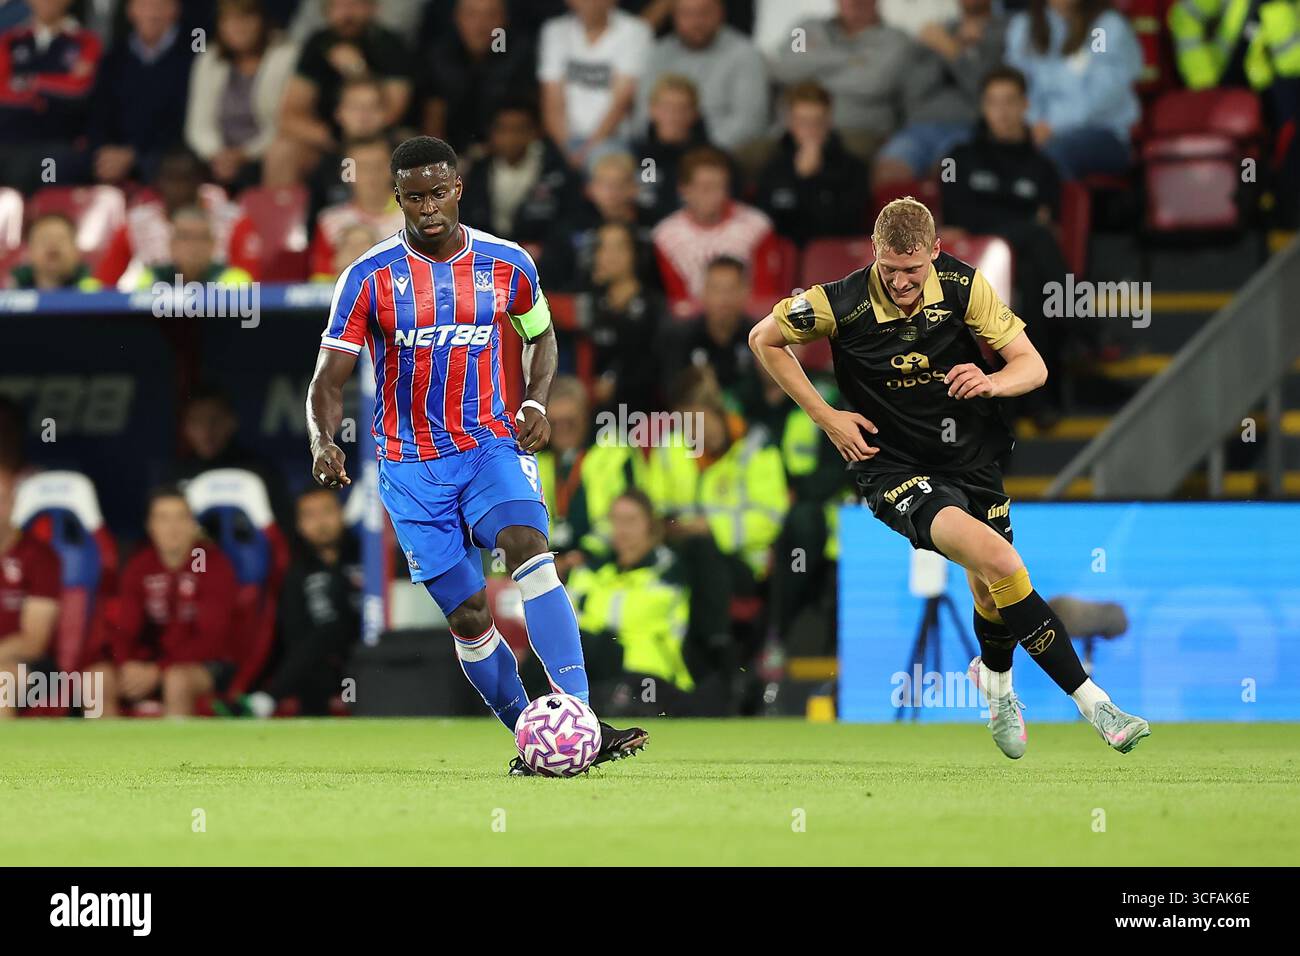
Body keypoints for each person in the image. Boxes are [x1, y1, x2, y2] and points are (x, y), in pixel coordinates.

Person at [747, 196, 1151, 758]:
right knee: (1003, 562)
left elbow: (1031, 367)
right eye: (889, 269)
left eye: (912, 270)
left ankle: (996, 683)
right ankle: (1097, 705)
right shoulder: (836, 302)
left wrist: (991, 382)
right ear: (874, 254)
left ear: (936, 253)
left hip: (971, 455)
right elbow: (762, 338)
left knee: (991, 589)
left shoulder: (964, 287)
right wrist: (827, 415)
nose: (901, 282)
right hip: (893, 468)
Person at [306, 135, 648, 775]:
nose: (428, 207)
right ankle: (532, 736)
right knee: (468, 615)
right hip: (409, 468)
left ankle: (579, 715)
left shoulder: (508, 262)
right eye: (413, 198)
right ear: (398, 199)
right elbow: (328, 378)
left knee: (526, 545)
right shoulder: (367, 278)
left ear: (459, 187)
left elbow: (540, 334)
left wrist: (538, 401)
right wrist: (324, 439)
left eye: (438, 193)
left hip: (488, 443)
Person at [940, 66, 1071, 421]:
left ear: (1025, 105)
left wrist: (989, 219)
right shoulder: (960, 158)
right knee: (1035, 240)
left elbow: (1050, 226)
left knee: (1030, 279)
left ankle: (1018, 403)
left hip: (1023, 266)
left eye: (1010, 102)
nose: (1002, 111)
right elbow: (957, 223)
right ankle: (1073, 333)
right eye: (993, 102)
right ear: (983, 107)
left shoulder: (1043, 166)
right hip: (973, 268)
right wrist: (1022, 223)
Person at [91, 486, 238, 717]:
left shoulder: (212, 563)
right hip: (151, 662)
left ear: (193, 524)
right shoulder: (140, 566)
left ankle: (179, 754)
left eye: (181, 518)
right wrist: (126, 665)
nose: (173, 529)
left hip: (207, 665)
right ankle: (105, 753)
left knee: (176, 680)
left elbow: (212, 639)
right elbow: (124, 629)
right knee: (96, 679)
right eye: (163, 518)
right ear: (150, 526)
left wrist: (158, 670)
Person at [264, 0, 413, 186]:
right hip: (328, 140)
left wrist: (357, 71)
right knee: (282, 151)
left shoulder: (390, 44)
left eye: (355, 4)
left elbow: (391, 113)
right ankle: (284, 214)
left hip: (379, 140)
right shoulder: (318, 44)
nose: (347, 13)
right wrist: (332, 138)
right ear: (327, 11)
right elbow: (289, 115)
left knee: (405, 153)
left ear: (372, 8)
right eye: (339, 5)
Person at [245, 487, 360, 717]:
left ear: (342, 514)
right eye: (311, 515)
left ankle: (268, 697)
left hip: (365, 660)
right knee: (316, 664)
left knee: (335, 627)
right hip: (320, 668)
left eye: (327, 511)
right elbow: (295, 635)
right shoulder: (297, 573)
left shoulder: (367, 556)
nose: (321, 522)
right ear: (299, 525)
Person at [873, 0, 1006, 187]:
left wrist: (955, 53)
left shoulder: (1004, 31)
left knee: (947, 175)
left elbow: (986, 93)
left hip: (964, 130)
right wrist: (950, 47)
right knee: (887, 173)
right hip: (917, 129)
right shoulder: (940, 31)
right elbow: (914, 91)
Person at [1004, 0, 1142, 179]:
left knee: (1054, 154)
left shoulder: (1102, 29)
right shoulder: (1024, 26)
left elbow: (1101, 95)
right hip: (1036, 130)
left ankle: (1050, 207)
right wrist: (1030, 125)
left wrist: (1052, 126)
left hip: (1101, 132)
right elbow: (1017, 85)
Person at [770, 0, 913, 163]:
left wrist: (811, 66)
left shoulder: (895, 40)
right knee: (758, 156)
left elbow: (873, 82)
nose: (853, 2)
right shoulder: (806, 29)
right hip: (790, 132)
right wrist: (851, 59)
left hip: (854, 133)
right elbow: (783, 68)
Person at [183, 0, 298, 190]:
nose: (238, 28)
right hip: (217, 156)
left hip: (262, 151)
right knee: (179, 166)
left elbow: (284, 121)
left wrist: (244, 154)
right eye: (229, 21)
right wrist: (217, 153)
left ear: (262, 21)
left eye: (246, 19)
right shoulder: (208, 58)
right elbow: (198, 122)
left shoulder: (286, 56)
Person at [651, 146, 780, 314]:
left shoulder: (757, 226)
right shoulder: (666, 235)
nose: (715, 196)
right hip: (693, 326)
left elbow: (765, 295)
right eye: (706, 188)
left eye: (721, 187)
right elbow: (678, 302)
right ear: (684, 190)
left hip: (748, 322)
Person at [636, 0, 770, 153]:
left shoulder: (746, 54)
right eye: (687, 14)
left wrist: (700, 150)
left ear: (720, 13)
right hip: (660, 147)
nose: (696, 22)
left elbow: (750, 123)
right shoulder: (658, 54)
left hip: (721, 152)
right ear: (674, 16)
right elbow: (642, 115)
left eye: (704, 13)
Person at [0, 0, 102, 194]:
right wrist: (51, 88)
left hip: (56, 148)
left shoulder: (85, 41)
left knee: (50, 186)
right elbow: (2, 91)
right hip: (11, 146)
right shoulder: (10, 40)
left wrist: (31, 82)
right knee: (11, 195)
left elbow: (79, 89)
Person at [87, 0, 193, 185]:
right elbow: (98, 114)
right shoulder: (113, 58)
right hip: (111, 154)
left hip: (165, 153)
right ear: (130, 11)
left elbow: (184, 121)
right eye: (144, 5)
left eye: (160, 6)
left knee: (172, 165)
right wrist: (104, 150)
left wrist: (133, 154)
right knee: (63, 164)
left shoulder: (192, 57)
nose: (152, 13)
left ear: (175, 10)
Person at [537, 0, 651, 170]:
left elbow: (622, 100)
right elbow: (552, 100)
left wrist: (589, 150)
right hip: (564, 140)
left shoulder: (635, 30)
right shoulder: (554, 30)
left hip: (614, 139)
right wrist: (568, 149)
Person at [755, 81, 869, 245]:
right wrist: (799, 180)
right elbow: (769, 225)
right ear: (791, 123)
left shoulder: (853, 169)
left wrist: (811, 181)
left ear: (829, 121)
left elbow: (845, 227)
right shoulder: (772, 169)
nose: (810, 130)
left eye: (817, 122)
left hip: (833, 259)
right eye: (803, 122)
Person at [417, 0, 537, 156]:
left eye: (491, 15)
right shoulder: (439, 56)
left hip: (505, 152)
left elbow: (523, 117)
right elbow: (433, 119)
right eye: (471, 15)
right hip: (452, 153)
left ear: (504, 19)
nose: (480, 25)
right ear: (457, 17)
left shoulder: (519, 55)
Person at [458, 99, 574, 245]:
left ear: (533, 133)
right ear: (492, 134)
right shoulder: (478, 170)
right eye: (503, 129)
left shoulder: (553, 171)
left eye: (518, 129)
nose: (510, 138)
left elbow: (565, 220)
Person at [0, 467, 60, 719]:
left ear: (13, 503)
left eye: (1, 499)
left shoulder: (38, 556)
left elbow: (33, 642)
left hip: (36, 670)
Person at [659, 255, 758, 400]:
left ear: (746, 292)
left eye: (731, 289)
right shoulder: (681, 337)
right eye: (716, 289)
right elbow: (672, 394)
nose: (724, 299)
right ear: (703, 293)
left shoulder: (759, 337)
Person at [307, 136, 404, 279]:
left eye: (378, 166)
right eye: (362, 167)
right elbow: (320, 283)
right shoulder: (330, 222)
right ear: (346, 173)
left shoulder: (415, 218)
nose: (372, 175)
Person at [628, 73, 712, 226]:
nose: (674, 115)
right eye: (666, 107)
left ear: (695, 113)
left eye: (682, 108)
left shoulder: (712, 161)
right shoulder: (638, 155)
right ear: (652, 110)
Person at [9, 213, 102, 291]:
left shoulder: (95, 293)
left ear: (76, 251)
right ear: (29, 252)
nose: (53, 244)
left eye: (61, 239)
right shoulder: (11, 292)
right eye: (44, 239)